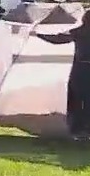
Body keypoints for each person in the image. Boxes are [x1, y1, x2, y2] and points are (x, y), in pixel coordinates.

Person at [36, 10, 90, 138]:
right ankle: (85, 127)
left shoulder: (79, 31)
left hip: (80, 68)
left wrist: (38, 34)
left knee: (75, 98)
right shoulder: (79, 31)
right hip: (81, 66)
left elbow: (58, 39)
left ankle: (76, 128)